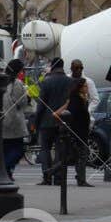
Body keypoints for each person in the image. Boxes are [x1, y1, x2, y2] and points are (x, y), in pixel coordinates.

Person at [56, 59, 93, 187]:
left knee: (73, 156)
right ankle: (80, 179)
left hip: (79, 130)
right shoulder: (77, 100)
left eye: (80, 68)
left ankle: (53, 172)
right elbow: (76, 115)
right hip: (78, 131)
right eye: (76, 68)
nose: (78, 70)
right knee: (79, 155)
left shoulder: (82, 97)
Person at [36, 56, 72, 185]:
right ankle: (59, 177)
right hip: (64, 120)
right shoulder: (70, 82)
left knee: (45, 148)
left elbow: (41, 105)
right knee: (60, 149)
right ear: (62, 66)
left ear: (52, 66)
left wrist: (36, 121)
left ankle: (46, 177)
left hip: (46, 121)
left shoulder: (46, 82)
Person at [1, 63, 32, 178]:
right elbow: (22, 102)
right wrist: (27, 97)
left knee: (5, 149)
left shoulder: (1, 80)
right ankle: (6, 167)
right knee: (19, 149)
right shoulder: (17, 83)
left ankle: (7, 172)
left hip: (1, 119)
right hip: (14, 120)